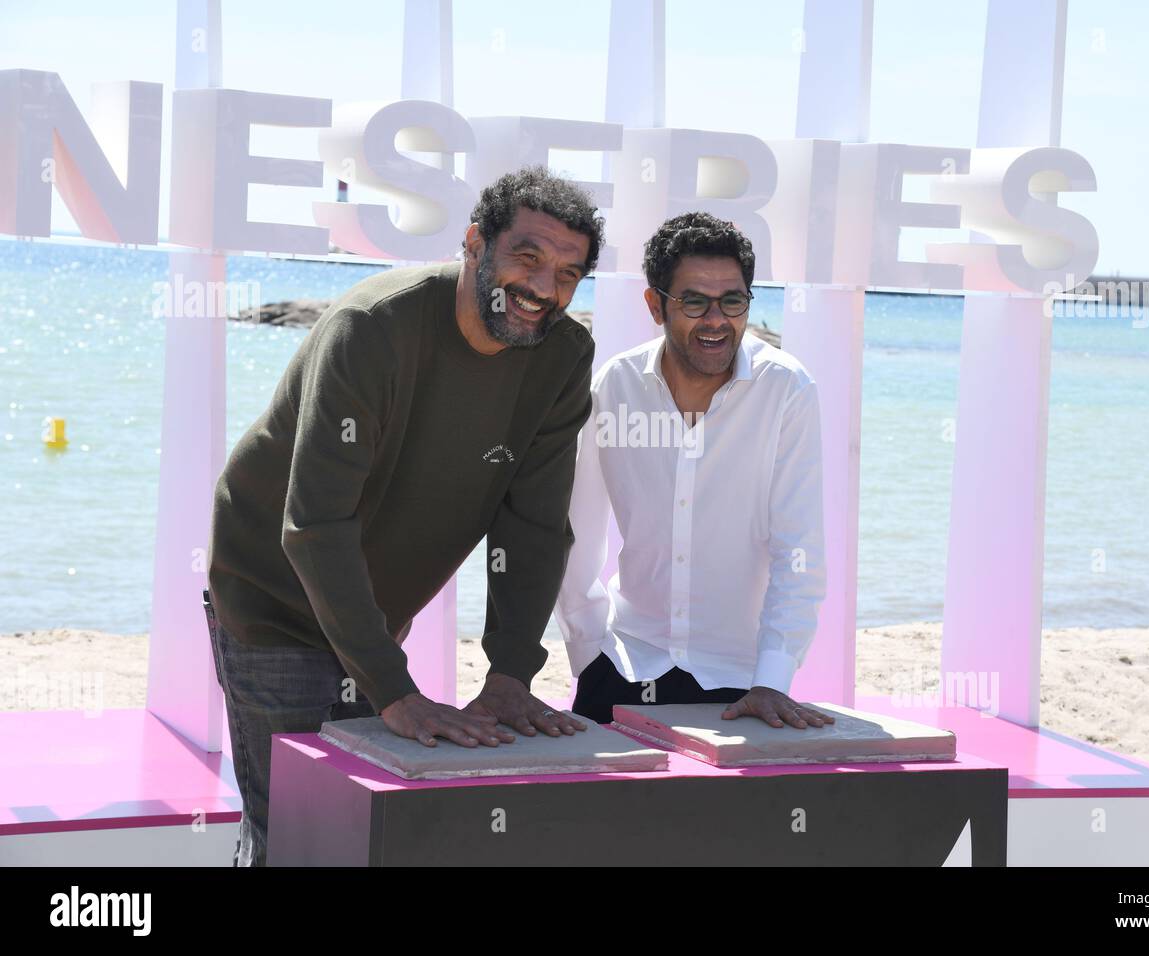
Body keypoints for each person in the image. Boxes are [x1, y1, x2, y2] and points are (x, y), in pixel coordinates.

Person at [204, 166, 601, 866]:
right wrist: (395, 689)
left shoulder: (562, 357)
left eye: (568, 274)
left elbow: (533, 528)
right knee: (295, 831)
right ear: (476, 241)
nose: (544, 287)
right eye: (528, 257)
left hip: (372, 609)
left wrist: (510, 673)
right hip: (272, 598)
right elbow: (315, 525)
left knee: (357, 832)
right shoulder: (373, 328)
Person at [555, 212, 833, 729]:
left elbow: (799, 550)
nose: (715, 319)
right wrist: (587, 650)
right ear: (655, 304)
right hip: (623, 662)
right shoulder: (615, 385)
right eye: (694, 301)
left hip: (740, 682)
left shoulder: (787, 391)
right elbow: (575, 531)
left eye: (732, 301)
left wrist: (772, 678)